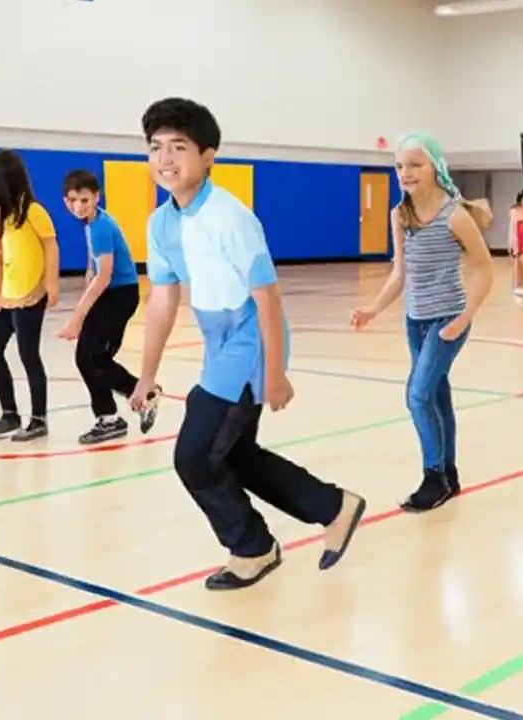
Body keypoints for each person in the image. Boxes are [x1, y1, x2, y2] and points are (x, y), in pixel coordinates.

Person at [130, 97, 366, 590]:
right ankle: (332, 506)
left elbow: (269, 299)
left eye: (179, 146)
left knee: (194, 456)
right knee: (234, 453)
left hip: (250, 341)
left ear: (208, 155)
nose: (165, 159)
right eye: (156, 148)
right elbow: (161, 302)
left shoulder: (230, 217)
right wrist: (147, 375)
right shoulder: (161, 223)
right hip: (219, 343)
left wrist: (274, 374)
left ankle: (252, 548)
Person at [350, 132, 494, 513]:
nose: (405, 172)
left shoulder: (455, 216)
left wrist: (464, 318)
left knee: (417, 396)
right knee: (435, 394)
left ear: (435, 167)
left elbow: (484, 269)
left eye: (415, 164)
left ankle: (433, 478)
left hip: (447, 320)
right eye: (399, 166)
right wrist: (373, 308)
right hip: (415, 321)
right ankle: (449, 474)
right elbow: (400, 274)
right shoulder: (400, 215)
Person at [58, 169, 159, 444]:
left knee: (90, 358)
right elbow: (93, 271)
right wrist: (85, 300)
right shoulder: (92, 223)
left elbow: (104, 276)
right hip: (110, 295)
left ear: (96, 198)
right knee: (93, 359)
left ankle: (111, 417)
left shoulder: (101, 226)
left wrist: (77, 318)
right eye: (72, 200)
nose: (78, 206)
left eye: (85, 200)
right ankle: (137, 395)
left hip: (120, 296)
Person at [0, 149, 59, 442]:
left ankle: (39, 419)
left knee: (28, 355)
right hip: (9, 296)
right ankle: (9, 414)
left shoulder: (33, 210)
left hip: (30, 295)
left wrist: (49, 287)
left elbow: (51, 247)